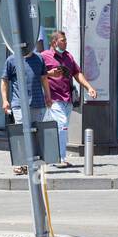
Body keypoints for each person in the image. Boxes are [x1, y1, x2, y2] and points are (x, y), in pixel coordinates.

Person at [40, 30, 97, 168]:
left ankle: (52, 156)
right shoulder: (44, 57)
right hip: (53, 98)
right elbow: (37, 75)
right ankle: (60, 157)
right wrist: (49, 74)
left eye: (65, 40)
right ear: (54, 42)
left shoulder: (68, 56)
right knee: (62, 125)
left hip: (67, 99)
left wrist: (89, 87)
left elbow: (77, 74)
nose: (66, 43)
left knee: (60, 128)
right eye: (63, 40)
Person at [0, 46, 51, 176]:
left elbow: (44, 78)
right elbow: (4, 80)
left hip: (38, 103)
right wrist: (5, 100)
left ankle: (35, 163)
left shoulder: (39, 58)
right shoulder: (11, 60)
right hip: (19, 104)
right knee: (21, 134)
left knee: (36, 134)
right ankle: (21, 165)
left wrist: (48, 96)